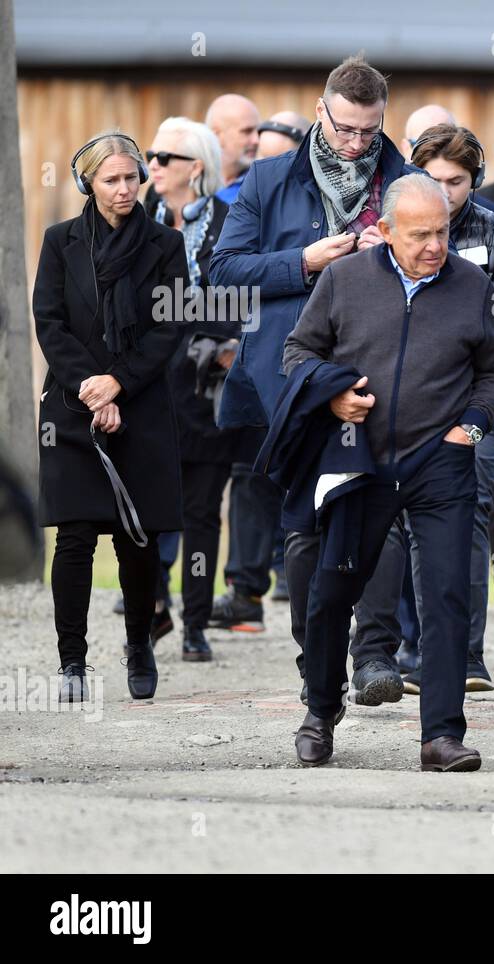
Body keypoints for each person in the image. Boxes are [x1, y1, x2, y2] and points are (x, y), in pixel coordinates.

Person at [279, 174, 494, 770]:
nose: (434, 245)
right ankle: (320, 711)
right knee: (332, 591)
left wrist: (473, 427)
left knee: (445, 597)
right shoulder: (342, 279)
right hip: (361, 459)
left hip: (442, 460)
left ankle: (440, 735)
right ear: (383, 232)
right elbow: (298, 354)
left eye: (441, 232)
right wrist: (333, 399)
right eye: (419, 236)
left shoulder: (470, 284)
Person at [210, 54, 424, 705]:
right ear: (319, 114)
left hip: (384, 367)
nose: (356, 143)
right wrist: (303, 260)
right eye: (344, 130)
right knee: (306, 523)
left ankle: (375, 655)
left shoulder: (406, 182)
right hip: (294, 376)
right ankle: (317, 655)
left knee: (380, 515)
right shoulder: (270, 179)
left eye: (368, 130)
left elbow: (436, 265)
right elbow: (223, 272)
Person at [33, 132, 187, 702]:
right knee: (73, 539)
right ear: (88, 184)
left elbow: (170, 325)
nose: (124, 189)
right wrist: (93, 390)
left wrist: (120, 381)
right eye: (111, 179)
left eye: (131, 177)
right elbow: (49, 322)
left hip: (141, 405)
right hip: (73, 408)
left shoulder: (166, 244)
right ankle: (71, 661)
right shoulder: (60, 241)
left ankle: (139, 643)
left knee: (136, 538)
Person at [411, 124, 494, 692]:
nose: (442, 190)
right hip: (407, 399)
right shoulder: (388, 232)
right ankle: (410, 648)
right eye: (430, 179)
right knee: (403, 519)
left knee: (469, 515)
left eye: (454, 181)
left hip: (483, 401)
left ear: (474, 181)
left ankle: (466, 653)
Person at [144, 117, 238, 662]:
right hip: (147, 390)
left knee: (202, 512)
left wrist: (178, 320)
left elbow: (239, 304)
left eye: (163, 158)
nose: (151, 166)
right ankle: (153, 608)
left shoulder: (229, 225)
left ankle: (195, 625)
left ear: (195, 168)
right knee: (146, 507)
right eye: (151, 157)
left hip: (206, 391)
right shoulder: (136, 224)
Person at [205, 94, 260, 204]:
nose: (256, 140)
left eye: (258, 132)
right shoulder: (191, 182)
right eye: (247, 131)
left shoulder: (262, 186)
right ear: (216, 136)